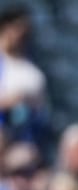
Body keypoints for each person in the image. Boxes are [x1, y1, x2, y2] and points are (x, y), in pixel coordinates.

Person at [0, 5, 48, 147]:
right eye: (17, 28)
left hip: (15, 143)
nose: (20, 35)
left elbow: (36, 114)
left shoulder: (33, 75)